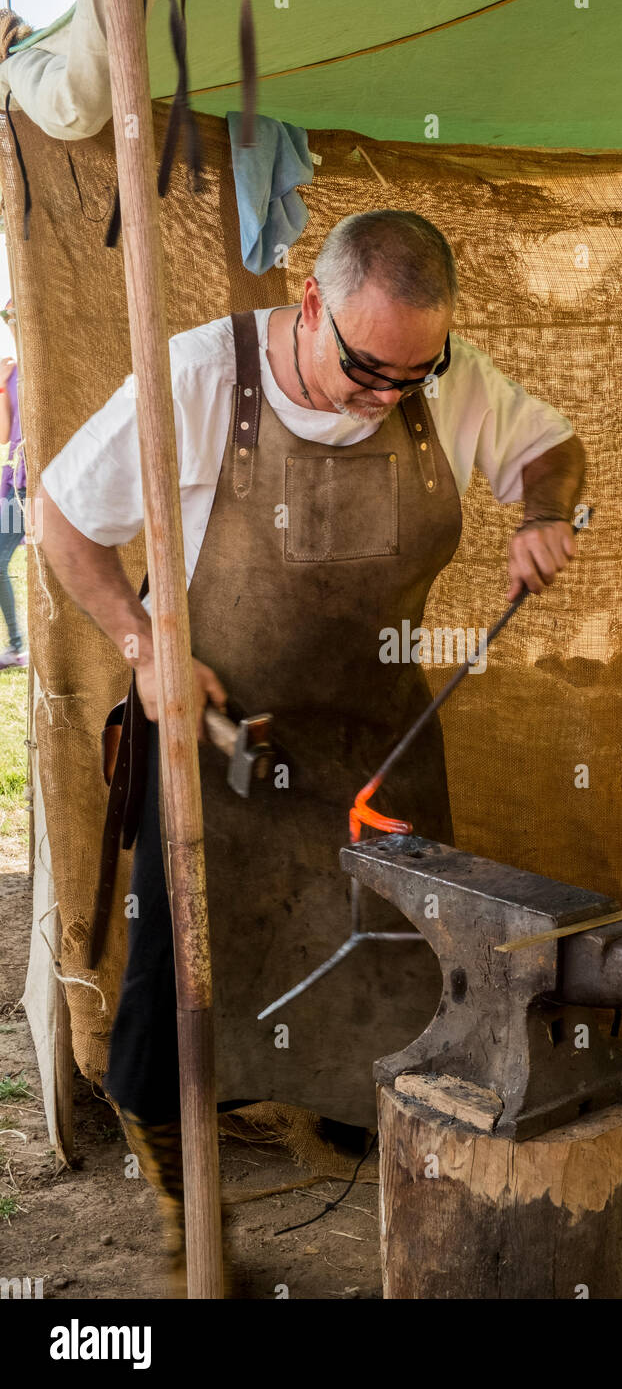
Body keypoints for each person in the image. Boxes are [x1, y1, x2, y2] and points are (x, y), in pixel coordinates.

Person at [37, 210, 586, 1288]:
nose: (388, 397)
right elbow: (60, 516)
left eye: (415, 376)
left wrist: (545, 512)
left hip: (378, 748)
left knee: (410, 975)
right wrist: (144, 643)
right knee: (179, 995)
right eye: (366, 370)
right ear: (309, 306)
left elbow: (549, 449)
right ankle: (188, 1224)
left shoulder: (435, 375)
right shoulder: (201, 376)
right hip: (221, 747)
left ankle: (411, 1212)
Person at [0, 300, 27, 670]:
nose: (10, 321)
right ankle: (18, 647)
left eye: (15, 313)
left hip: (40, 481)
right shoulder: (10, 372)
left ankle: (20, 647)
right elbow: (4, 434)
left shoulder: (49, 366)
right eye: (5, 315)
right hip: (17, 481)